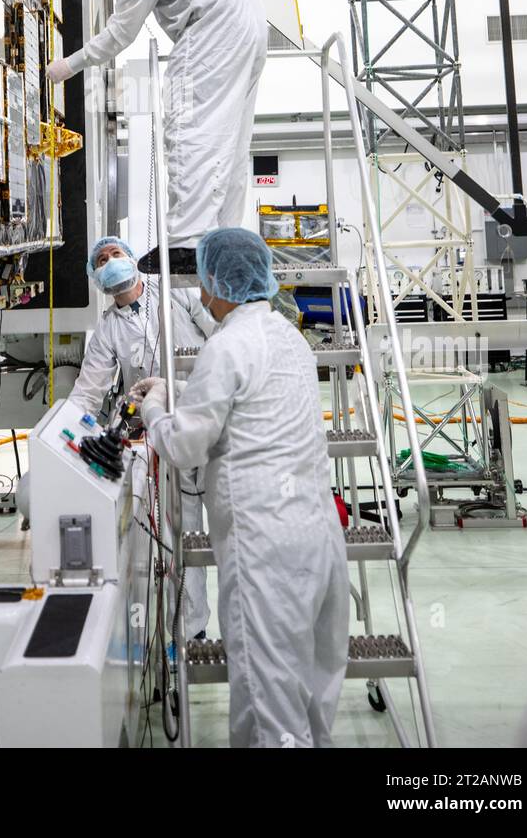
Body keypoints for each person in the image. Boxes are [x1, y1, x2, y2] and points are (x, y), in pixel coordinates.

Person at [131, 226, 349, 749]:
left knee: (268, 701)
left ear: (217, 283)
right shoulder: (288, 337)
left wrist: (155, 407)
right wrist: (178, 394)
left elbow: (185, 448)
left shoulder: (227, 346)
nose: (200, 287)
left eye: (204, 276)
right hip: (317, 533)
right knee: (311, 694)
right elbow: (253, 408)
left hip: (264, 547)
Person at [45, 0, 267, 271]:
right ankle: (222, 238)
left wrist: (65, 67)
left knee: (188, 131)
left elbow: (121, 33)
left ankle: (185, 244)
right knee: (228, 144)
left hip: (210, 33)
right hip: (246, 28)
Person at [69, 234, 213, 641]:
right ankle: (190, 630)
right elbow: (88, 391)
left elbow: (218, 334)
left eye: (116, 254)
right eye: (102, 259)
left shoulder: (174, 293)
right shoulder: (107, 330)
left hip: (208, 413)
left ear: (132, 259)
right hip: (163, 433)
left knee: (226, 524)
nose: (111, 261)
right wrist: (64, 433)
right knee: (177, 531)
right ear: (96, 277)